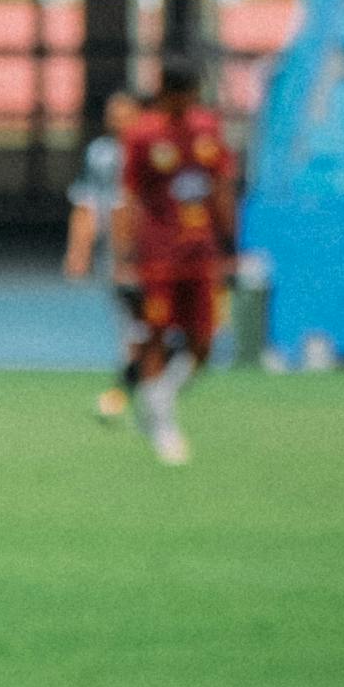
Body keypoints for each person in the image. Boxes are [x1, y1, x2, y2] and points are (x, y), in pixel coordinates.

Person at [109, 51, 239, 468]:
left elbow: (220, 187)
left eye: (189, 95)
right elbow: (130, 197)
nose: (183, 104)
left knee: (204, 342)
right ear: (163, 93)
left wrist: (230, 244)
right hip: (159, 255)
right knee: (156, 337)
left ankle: (159, 399)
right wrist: (125, 256)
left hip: (201, 253)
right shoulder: (143, 136)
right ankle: (162, 423)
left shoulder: (208, 129)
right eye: (176, 95)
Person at [65, 107, 134, 425]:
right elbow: (89, 202)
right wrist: (78, 250)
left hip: (152, 251)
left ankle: (133, 389)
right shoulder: (101, 154)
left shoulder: (149, 149)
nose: (118, 119)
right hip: (121, 255)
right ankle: (130, 391)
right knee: (131, 325)